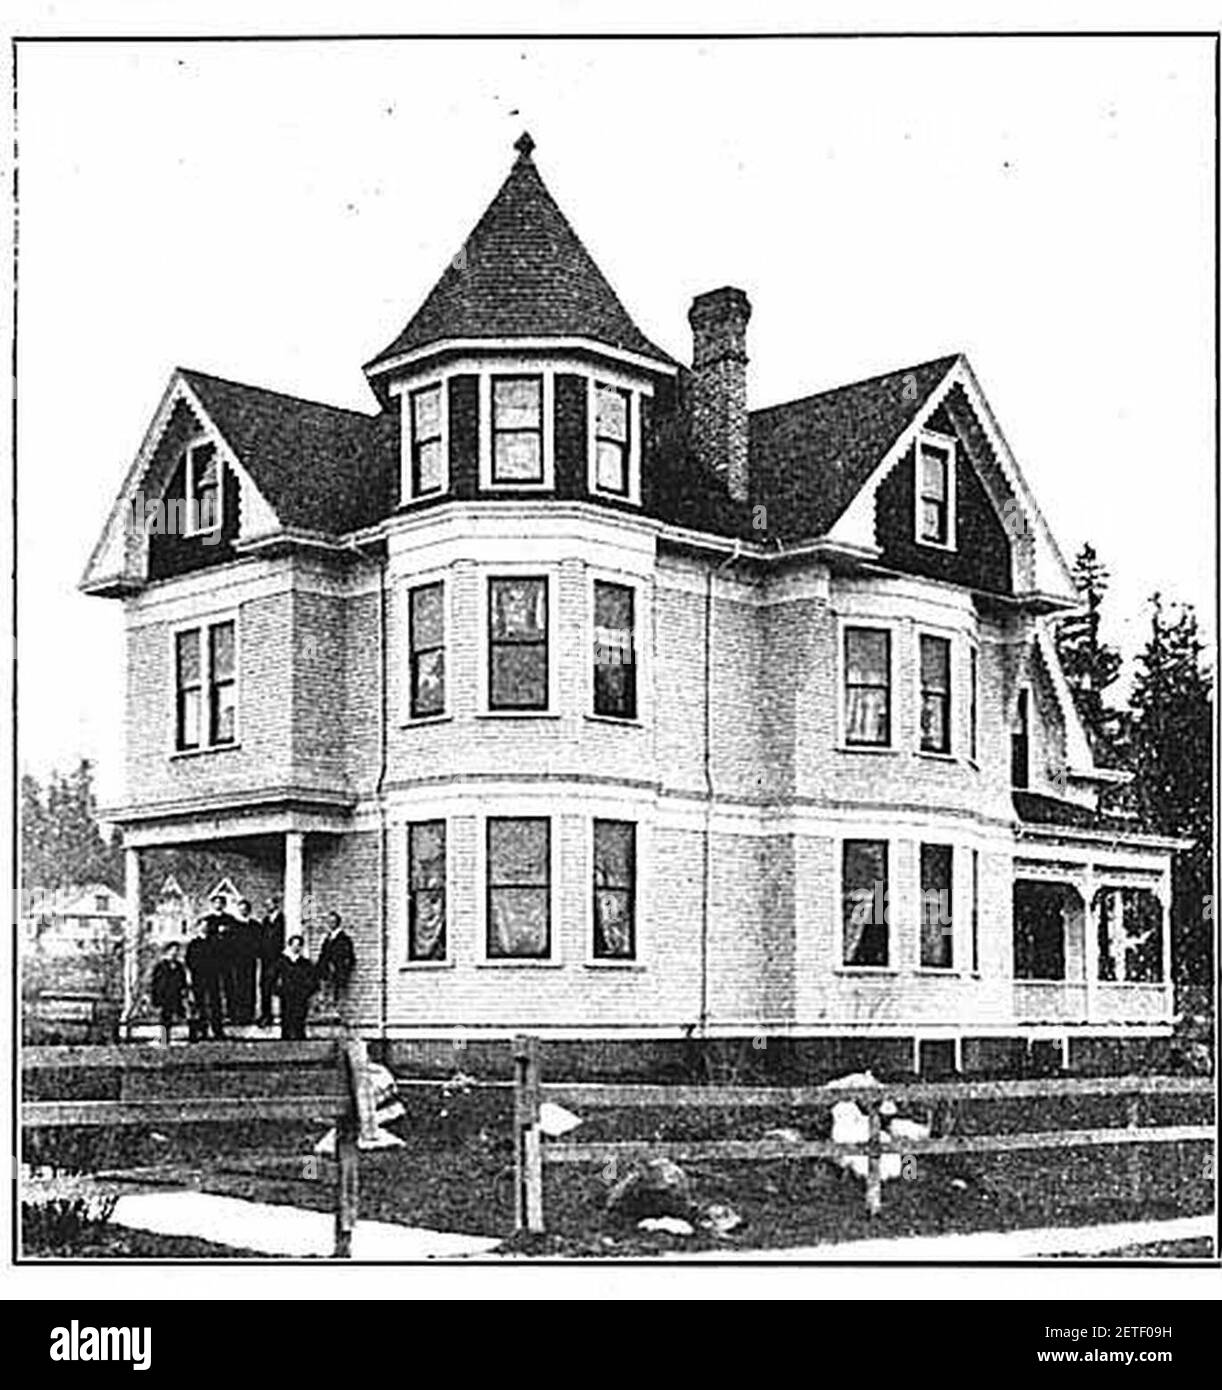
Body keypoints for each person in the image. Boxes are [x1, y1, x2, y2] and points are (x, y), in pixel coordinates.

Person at [185, 900, 228, 1041]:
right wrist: (193, 974)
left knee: (215, 1004)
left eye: (206, 927)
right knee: (200, 1005)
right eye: (202, 926)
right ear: (198, 928)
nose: (204, 929)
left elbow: (220, 960)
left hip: (212, 977)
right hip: (198, 977)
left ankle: (217, 1030)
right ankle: (201, 1031)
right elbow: (190, 961)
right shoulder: (193, 944)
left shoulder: (214, 943)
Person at [272, 934, 318, 1041]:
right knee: (286, 1015)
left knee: (300, 1016)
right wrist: (279, 991)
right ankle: (286, 1037)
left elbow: (313, 979)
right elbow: (273, 978)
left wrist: (306, 992)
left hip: (300, 995)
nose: (296, 947)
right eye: (294, 945)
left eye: (298, 945)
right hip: (287, 994)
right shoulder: (282, 962)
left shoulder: (305, 963)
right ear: (289, 945)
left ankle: (300, 1037)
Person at [316, 912, 356, 1023]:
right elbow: (323, 955)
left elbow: (349, 958)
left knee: (337, 993)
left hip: (338, 973)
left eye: (333, 922)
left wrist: (341, 969)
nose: (330, 924)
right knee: (326, 992)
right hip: (326, 972)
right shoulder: (327, 938)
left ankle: (337, 1013)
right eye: (329, 922)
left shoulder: (344, 939)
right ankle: (326, 1014)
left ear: (338, 923)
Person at [149, 941, 188, 1045]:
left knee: (176, 1016)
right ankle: (164, 1038)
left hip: (175, 995)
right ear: (167, 951)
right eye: (173, 950)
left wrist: (183, 992)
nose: (174, 953)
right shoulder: (161, 966)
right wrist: (155, 996)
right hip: (164, 995)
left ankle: (173, 1036)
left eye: (177, 951)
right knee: (164, 1017)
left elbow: (182, 980)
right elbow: (156, 982)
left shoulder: (179, 966)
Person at [228, 898, 260, 1026]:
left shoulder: (255, 926)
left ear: (249, 910)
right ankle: (237, 1015)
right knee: (237, 987)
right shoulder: (234, 926)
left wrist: (254, 952)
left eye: (245, 909)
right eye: (241, 909)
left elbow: (259, 943)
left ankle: (249, 1015)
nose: (243, 911)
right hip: (236, 961)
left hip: (250, 960)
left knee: (250, 987)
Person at [257, 896, 285, 1027]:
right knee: (265, 987)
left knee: (280, 987)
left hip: (278, 958)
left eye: (269, 904)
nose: (267, 907)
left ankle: (283, 1014)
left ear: (276, 905)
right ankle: (266, 1015)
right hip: (266, 960)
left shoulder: (282, 920)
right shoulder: (266, 921)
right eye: (265, 905)